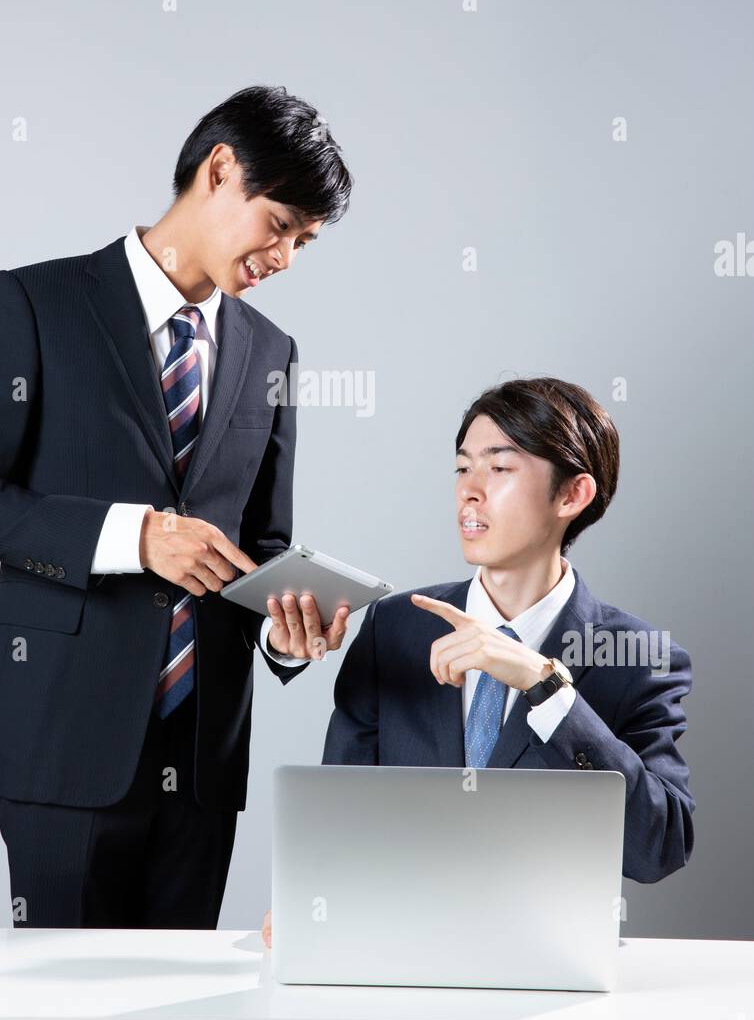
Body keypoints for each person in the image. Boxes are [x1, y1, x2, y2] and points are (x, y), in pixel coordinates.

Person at [0, 84, 352, 929]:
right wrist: (132, 537)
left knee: (177, 1015)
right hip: (64, 744)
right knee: (64, 1016)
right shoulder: (40, 304)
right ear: (221, 170)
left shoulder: (272, 350)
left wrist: (287, 628)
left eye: (306, 241)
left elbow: (260, 545)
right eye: (282, 224)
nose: (286, 257)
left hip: (201, 761)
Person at [261, 376, 694, 946]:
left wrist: (547, 688)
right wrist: (305, 896)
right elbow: (338, 811)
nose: (470, 490)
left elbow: (657, 846)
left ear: (572, 495)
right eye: (463, 468)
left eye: (500, 468)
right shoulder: (394, 628)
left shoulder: (637, 659)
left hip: (548, 965)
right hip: (394, 954)